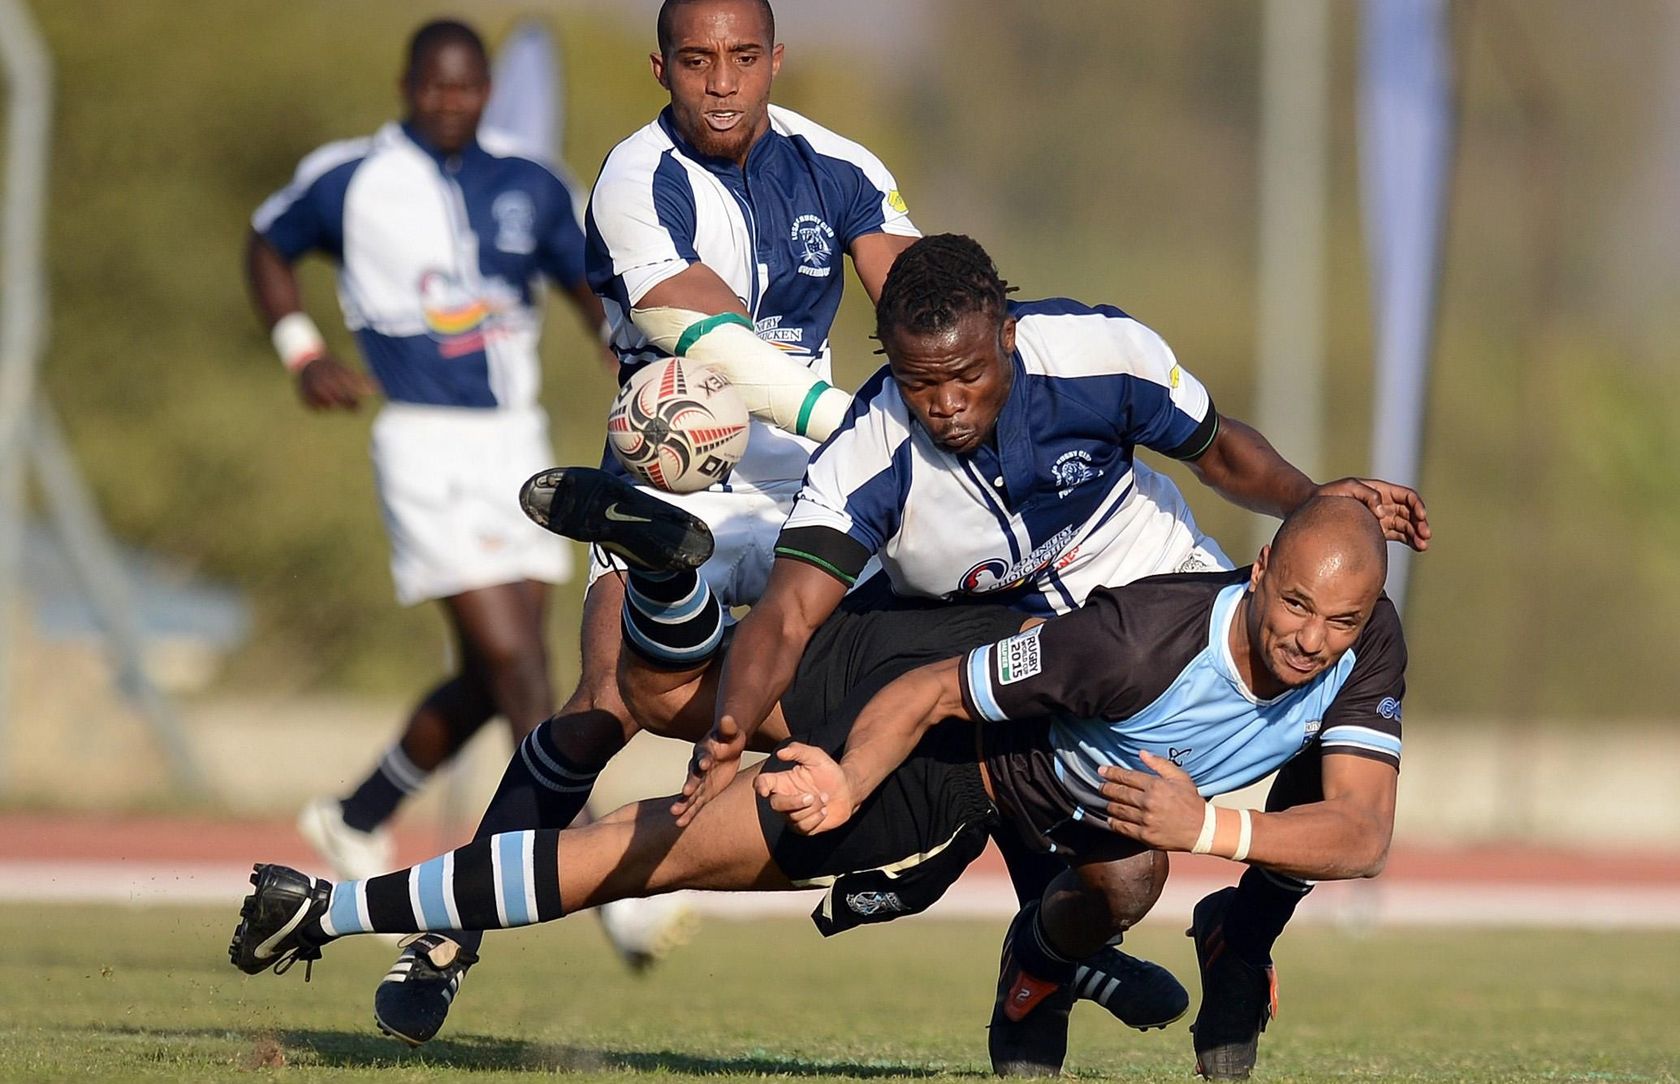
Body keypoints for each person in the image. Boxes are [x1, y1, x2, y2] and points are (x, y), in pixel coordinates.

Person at [527, 232, 1427, 1070]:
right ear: (893, 364)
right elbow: (796, 615)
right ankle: (1040, 954)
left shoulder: (1096, 356)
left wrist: (1323, 511)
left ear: (1006, 336)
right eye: (924, 382)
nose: (947, 404)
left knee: (1319, 679)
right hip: (1007, 641)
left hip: (1152, 599)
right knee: (676, 701)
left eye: (966, 374)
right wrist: (726, 728)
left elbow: (1218, 449)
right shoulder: (877, 443)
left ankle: (1236, 938)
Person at [228, 495, 1405, 1083]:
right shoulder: (1131, 641)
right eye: (1294, 604)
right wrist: (843, 781)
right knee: (665, 793)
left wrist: (1206, 826)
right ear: (1258, 572)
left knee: (1134, 874)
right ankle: (323, 909)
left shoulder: (1365, 639)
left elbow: (1357, 830)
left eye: (1337, 619)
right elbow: (937, 692)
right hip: (932, 719)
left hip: (1062, 805)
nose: (1311, 638)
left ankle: (1056, 965)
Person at [353, 0, 946, 1047]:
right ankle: (446, 939)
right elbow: (705, 330)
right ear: (661, 66)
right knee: (601, 704)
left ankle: (972, 891)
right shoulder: (635, 177)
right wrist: (849, 420)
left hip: (810, 488)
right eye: (698, 60)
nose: (722, 81)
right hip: (668, 478)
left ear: (775, 60)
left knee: (922, 675)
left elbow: (925, 304)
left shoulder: (838, 164)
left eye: (744, 58)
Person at [242, 17, 687, 1002]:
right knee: (524, 667)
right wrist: (302, 352)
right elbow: (266, 245)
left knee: (500, 672)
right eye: (436, 86)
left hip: (515, 443)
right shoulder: (350, 177)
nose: (453, 102)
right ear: (407, 84)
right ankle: (605, 884)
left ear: (488, 90)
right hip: (422, 442)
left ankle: (357, 812)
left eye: (468, 88)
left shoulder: (528, 184)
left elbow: (589, 289)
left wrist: (642, 372)